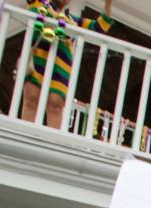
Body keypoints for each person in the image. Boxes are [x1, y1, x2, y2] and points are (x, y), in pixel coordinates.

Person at [20, 0, 114, 129]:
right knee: (31, 99)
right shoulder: (38, 3)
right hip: (38, 60)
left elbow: (99, 27)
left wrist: (108, 5)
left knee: (55, 104)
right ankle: (24, 135)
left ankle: (52, 143)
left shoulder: (72, 20)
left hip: (60, 69)